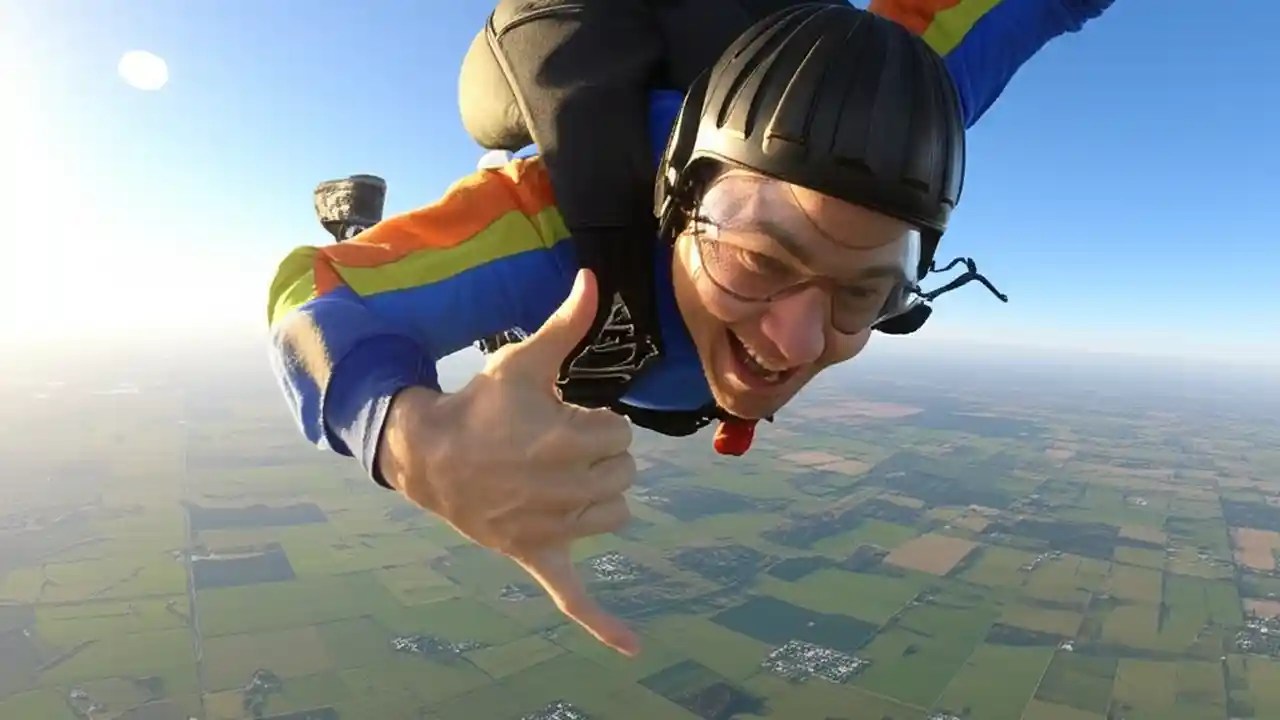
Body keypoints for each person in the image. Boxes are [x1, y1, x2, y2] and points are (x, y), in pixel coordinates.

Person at [267, 2, 1115, 656]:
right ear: (673, 208)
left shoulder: (905, 110)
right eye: (760, 259)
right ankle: (371, 218)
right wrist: (410, 436)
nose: (796, 342)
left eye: (866, 294)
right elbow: (312, 291)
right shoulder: (556, 235)